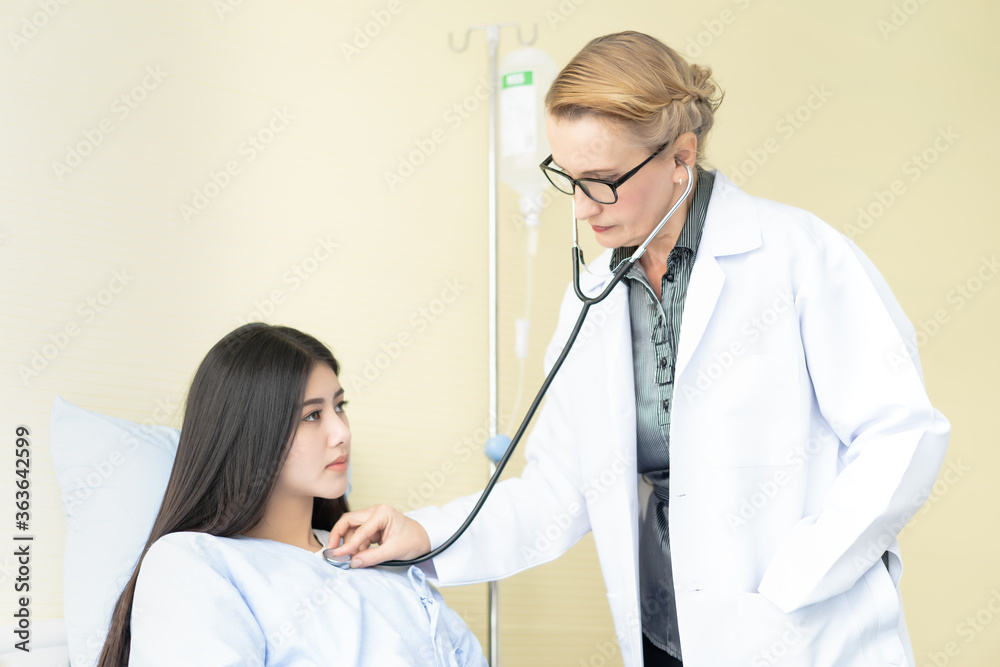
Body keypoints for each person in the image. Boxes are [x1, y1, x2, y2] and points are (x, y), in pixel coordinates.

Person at [328, 31, 951, 667]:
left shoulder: (798, 258)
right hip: (668, 639)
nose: (580, 210)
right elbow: (557, 493)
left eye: (600, 181)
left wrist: (791, 582)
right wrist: (427, 533)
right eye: (566, 178)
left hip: (808, 636)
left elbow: (903, 437)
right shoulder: (593, 301)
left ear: (682, 156)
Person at [97, 323, 486, 667]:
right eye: (312, 415)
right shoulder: (192, 564)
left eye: (340, 406)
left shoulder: (378, 559)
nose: (342, 432)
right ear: (250, 431)